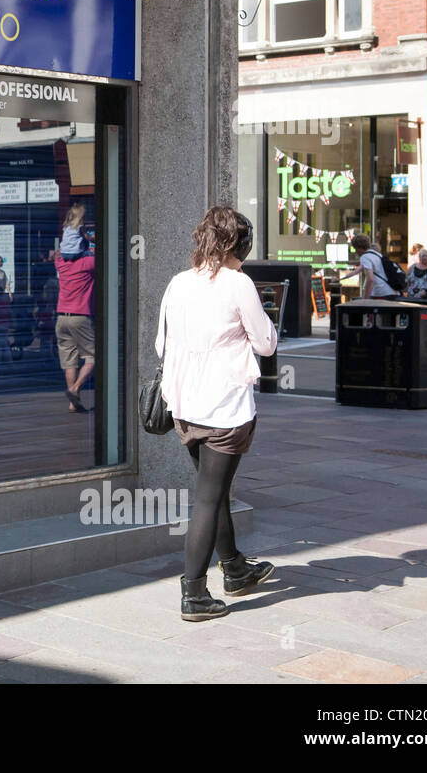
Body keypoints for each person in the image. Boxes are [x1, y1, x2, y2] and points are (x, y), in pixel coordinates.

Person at [156, 204, 277, 622]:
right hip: (224, 410)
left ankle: (236, 569)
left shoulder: (178, 282)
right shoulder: (238, 283)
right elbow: (266, 344)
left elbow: (160, 345)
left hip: (185, 408)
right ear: (238, 244)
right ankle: (194, 593)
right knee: (209, 499)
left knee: (215, 490)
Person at [56, 247, 95, 412]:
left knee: (69, 362)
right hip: (80, 316)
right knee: (93, 357)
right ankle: (74, 389)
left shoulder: (61, 263)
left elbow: (59, 252)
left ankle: (73, 404)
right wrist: (91, 242)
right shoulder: (88, 263)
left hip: (61, 317)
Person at [338, 234, 401, 299]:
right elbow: (356, 271)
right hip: (392, 292)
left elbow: (370, 279)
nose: (356, 252)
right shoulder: (376, 254)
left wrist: (365, 298)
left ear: (358, 248)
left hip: (381, 293)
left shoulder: (365, 257)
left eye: (355, 249)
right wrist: (340, 279)